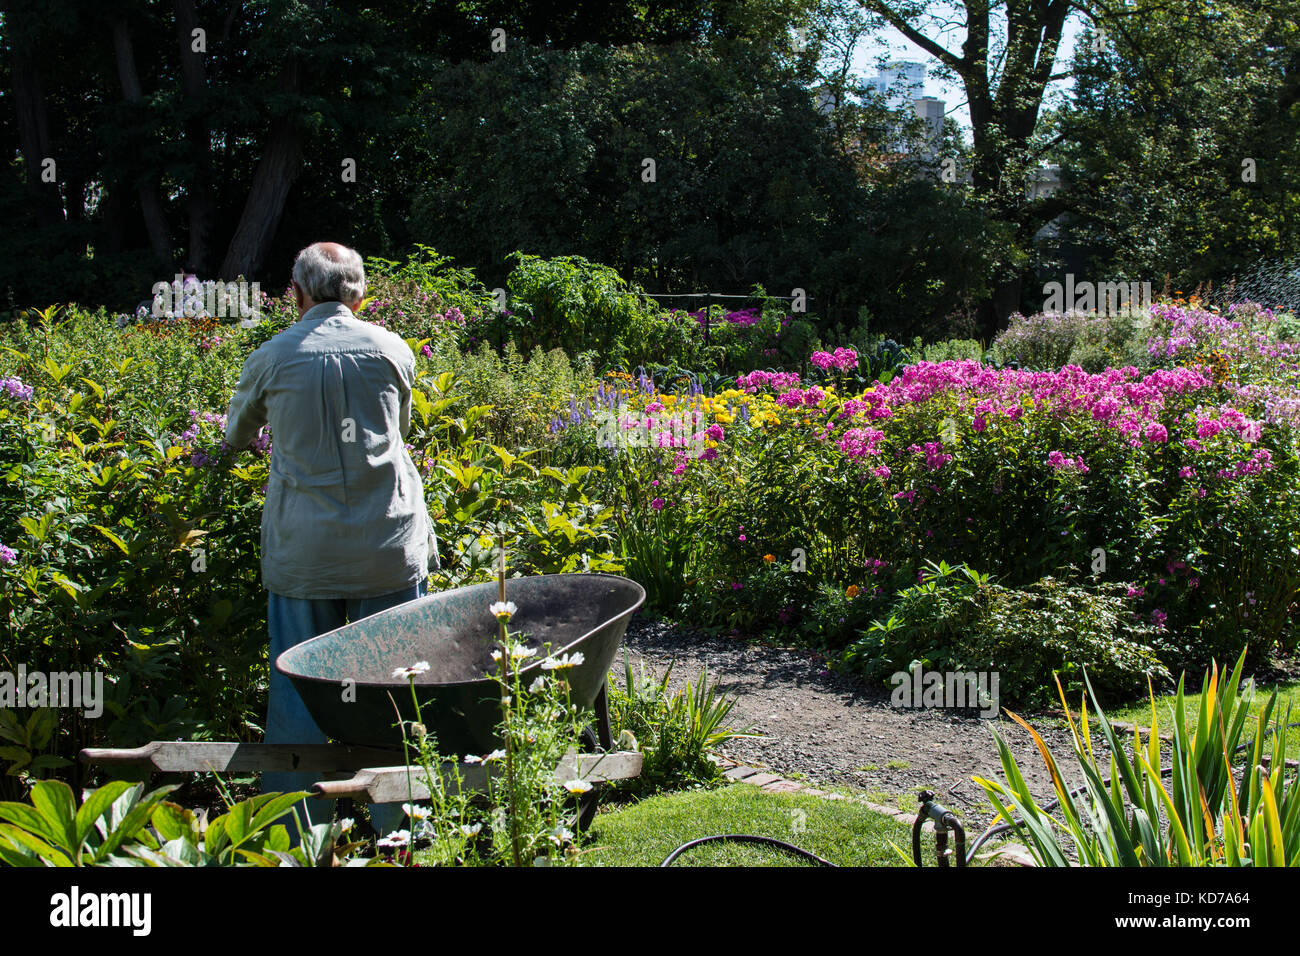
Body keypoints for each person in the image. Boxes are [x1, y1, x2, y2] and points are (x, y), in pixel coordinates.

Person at [224, 241, 437, 841]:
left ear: (297, 294)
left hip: (305, 554)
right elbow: (400, 430)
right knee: (394, 684)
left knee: (298, 690)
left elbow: (238, 436)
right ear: (359, 293)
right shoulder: (391, 349)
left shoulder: (273, 356)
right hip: (385, 546)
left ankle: (295, 836)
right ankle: (397, 828)